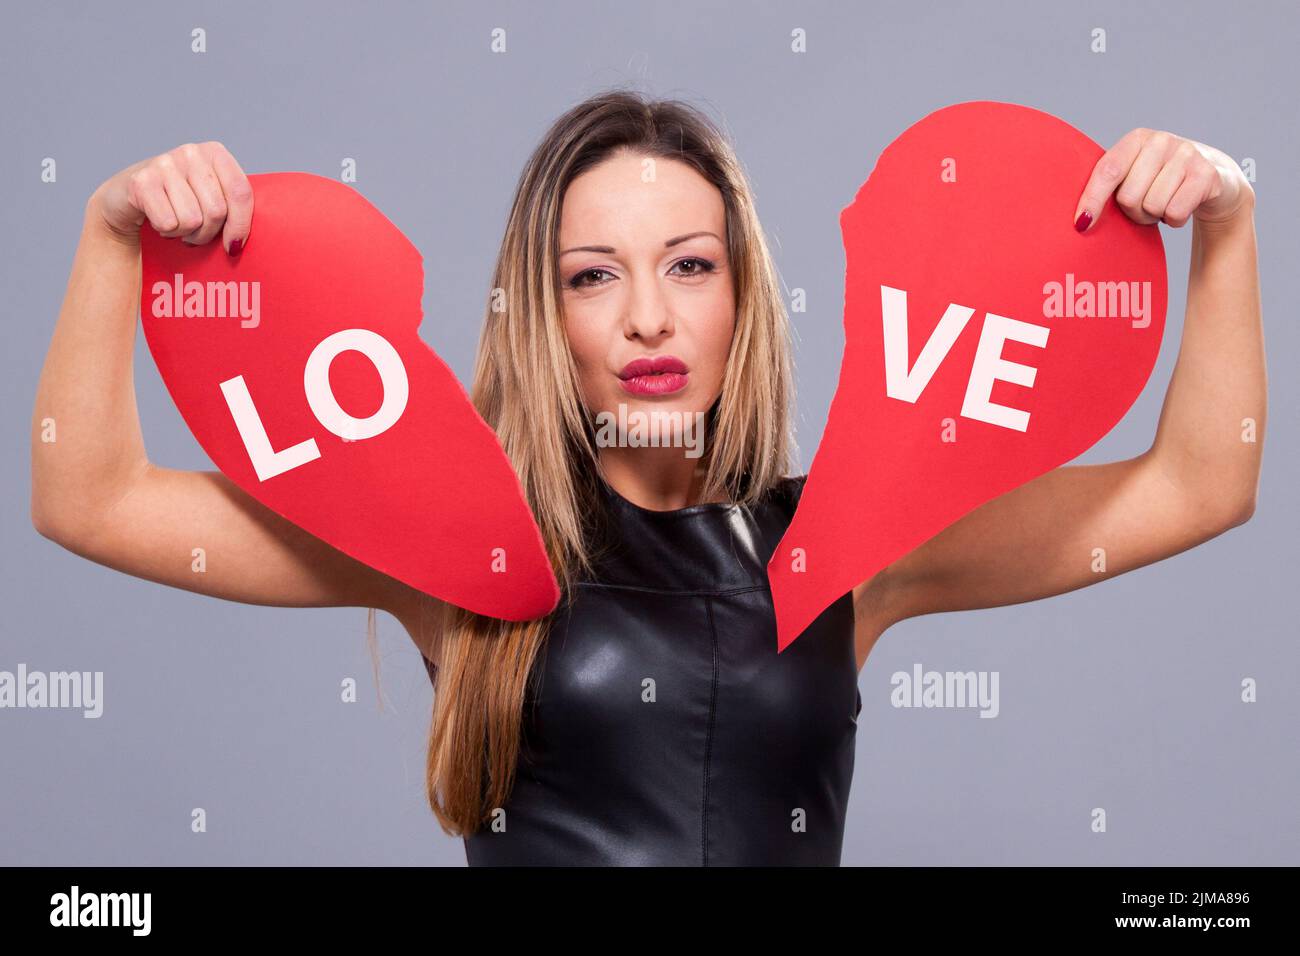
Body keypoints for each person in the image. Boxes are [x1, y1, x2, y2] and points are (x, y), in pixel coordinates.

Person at [29, 90, 1265, 866]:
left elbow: (1204, 480)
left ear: (741, 301)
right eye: (590, 275)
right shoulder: (453, 543)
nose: (645, 320)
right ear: (542, 312)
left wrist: (1225, 217)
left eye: (687, 266)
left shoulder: (845, 547)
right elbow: (88, 496)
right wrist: (108, 231)